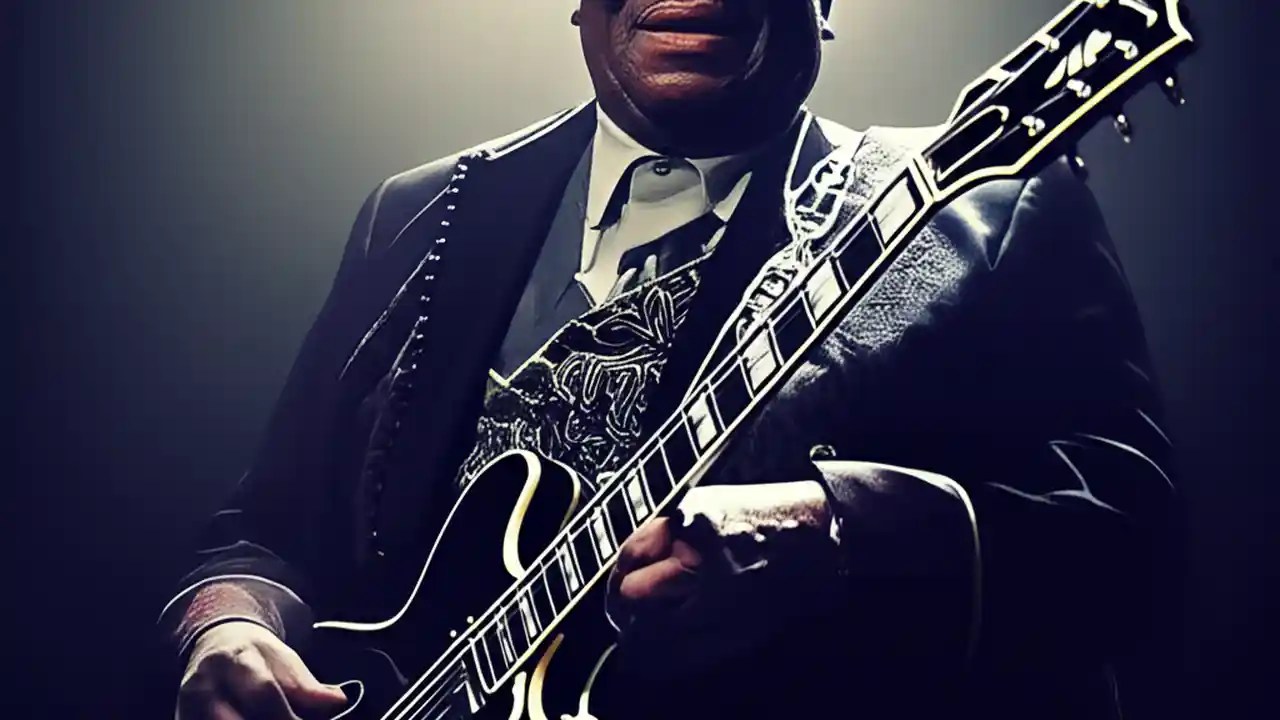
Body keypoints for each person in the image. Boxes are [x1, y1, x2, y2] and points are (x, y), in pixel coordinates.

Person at [162, 1, 1178, 719]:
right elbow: (260, 532)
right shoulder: (420, 212)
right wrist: (224, 628)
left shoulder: (980, 212)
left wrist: (834, 524)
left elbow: (1133, 554)